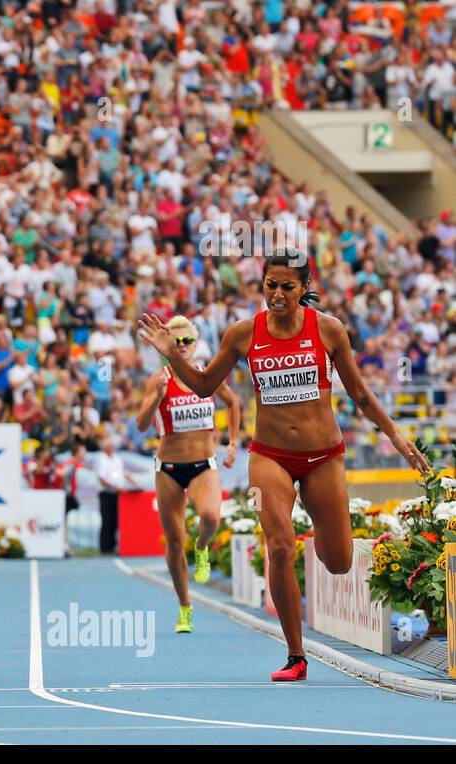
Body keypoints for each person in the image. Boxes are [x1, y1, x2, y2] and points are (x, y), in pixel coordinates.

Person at [138, 250, 428, 681]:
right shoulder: (242, 334)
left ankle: (316, 527)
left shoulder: (328, 330)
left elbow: (361, 395)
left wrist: (397, 437)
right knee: (277, 545)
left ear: (305, 288)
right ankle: (296, 655)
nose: (277, 294)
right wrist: (172, 356)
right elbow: (202, 386)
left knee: (339, 561)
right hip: (269, 455)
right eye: (270, 285)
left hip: (323, 457)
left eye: (287, 287)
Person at [134, 315, 239, 634]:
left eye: (186, 341)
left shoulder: (206, 375)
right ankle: (184, 607)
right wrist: (156, 398)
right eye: (175, 341)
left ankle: (204, 547)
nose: (181, 346)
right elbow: (141, 425)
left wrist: (233, 443)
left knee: (210, 518)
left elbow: (233, 402)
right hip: (168, 467)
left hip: (202, 463)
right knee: (175, 539)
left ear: (195, 345)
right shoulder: (160, 378)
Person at [94, 433, 143, 555]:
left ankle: (115, 546)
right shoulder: (101, 459)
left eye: (113, 446)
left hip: (117, 494)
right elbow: (102, 480)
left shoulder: (117, 459)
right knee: (107, 521)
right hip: (106, 493)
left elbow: (124, 473)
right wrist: (117, 487)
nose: (112, 448)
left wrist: (136, 484)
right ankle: (105, 548)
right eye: (110, 446)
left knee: (116, 520)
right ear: (105, 447)